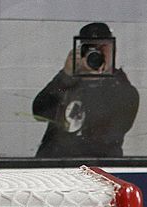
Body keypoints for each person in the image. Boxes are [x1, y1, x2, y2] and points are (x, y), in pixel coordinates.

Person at [32, 22, 139, 158]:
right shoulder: (67, 82)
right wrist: (65, 76)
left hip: (98, 170)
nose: (96, 53)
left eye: (102, 47)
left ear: (114, 50)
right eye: (90, 48)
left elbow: (107, 135)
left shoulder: (123, 90)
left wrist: (93, 82)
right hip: (55, 168)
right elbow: (38, 112)